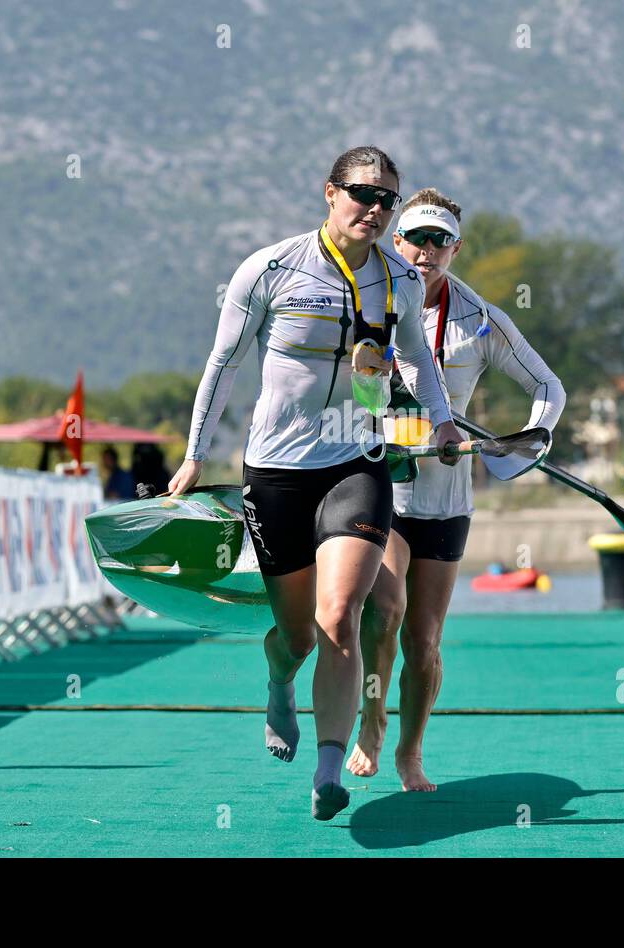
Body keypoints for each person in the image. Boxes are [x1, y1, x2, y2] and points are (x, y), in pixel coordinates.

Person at [166, 146, 463, 821]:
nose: (378, 210)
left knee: (340, 616)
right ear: (329, 193)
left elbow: (418, 359)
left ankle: (329, 772)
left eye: (388, 199)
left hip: (356, 465)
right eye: (364, 194)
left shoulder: (400, 281)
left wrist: (441, 423)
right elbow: (222, 364)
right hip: (277, 474)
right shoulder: (270, 269)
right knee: (297, 635)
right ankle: (278, 684)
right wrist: (192, 456)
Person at [347, 188, 566, 791]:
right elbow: (336, 388)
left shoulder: (481, 319)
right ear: (396, 242)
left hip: (446, 500)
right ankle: (372, 719)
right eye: (415, 237)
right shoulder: (368, 303)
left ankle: (410, 753)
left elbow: (550, 388)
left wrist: (522, 440)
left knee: (426, 641)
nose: (426, 250)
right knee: (382, 611)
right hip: (381, 490)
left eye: (439, 240)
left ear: (456, 248)